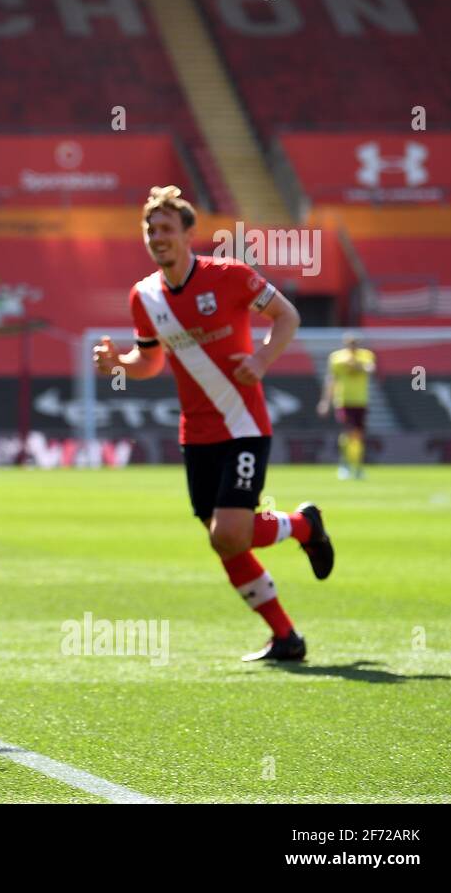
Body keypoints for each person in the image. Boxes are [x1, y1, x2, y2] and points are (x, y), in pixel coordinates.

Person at [94, 186, 334, 662]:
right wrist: (119, 363)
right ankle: (286, 634)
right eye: (150, 229)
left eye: (166, 228)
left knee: (228, 533)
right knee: (224, 540)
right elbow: (150, 362)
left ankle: (304, 528)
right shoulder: (143, 297)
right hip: (196, 433)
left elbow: (286, 315)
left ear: (188, 234)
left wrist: (263, 360)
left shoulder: (230, 276)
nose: (157, 236)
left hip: (244, 424)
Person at [318, 333, 376, 479]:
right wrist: (326, 401)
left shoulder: (366, 356)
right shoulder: (337, 358)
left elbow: (371, 369)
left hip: (361, 400)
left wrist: (356, 364)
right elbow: (331, 380)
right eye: (350, 343)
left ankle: (357, 466)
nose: (352, 346)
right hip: (343, 400)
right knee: (348, 432)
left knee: (359, 435)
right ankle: (345, 465)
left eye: (355, 343)